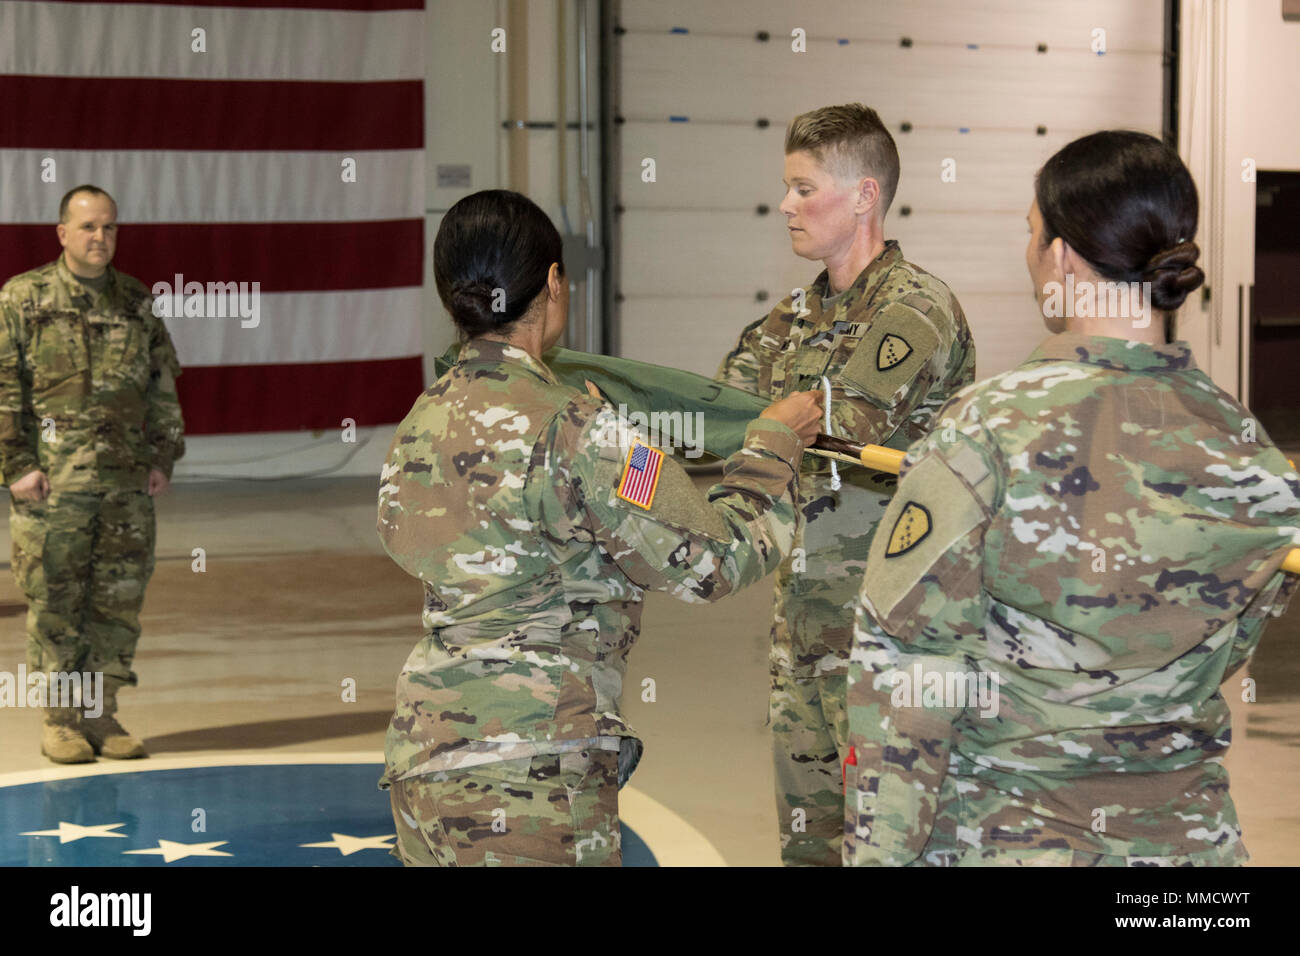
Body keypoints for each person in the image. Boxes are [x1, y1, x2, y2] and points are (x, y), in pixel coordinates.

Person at [843, 130, 1300, 866]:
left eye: (1031, 232)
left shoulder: (986, 428)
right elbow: (1229, 649)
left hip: (1011, 833)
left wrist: (877, 855)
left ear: (1059, 255)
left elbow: (907, 671)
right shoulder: (1243, 444)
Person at [377, 189, 822, 867]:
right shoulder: (582, 428)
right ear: (553, 283)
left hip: (421, 760)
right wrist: (771, 451)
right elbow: (712, 562)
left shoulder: (421, 420)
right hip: (531, 768)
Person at [715, 103, 975, 865]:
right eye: (786, 189)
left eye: (804, 188)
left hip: (891, 642)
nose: (787, 206)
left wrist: (765, 427)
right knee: (810, 849)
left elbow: (840, 424)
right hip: (804, 635)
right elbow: (719, 423)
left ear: (864, 195)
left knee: (893, 849)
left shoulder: (915, 311)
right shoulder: (788, 322)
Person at [0, 184, 185, 764]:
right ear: (62, 233)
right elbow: (4, 389)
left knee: (116, 605)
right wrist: (17, 466)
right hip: (53, 489)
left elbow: (162, 386)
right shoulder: (21, 298)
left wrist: (162, 456)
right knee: (56, 605)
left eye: (108, 227)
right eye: (87, 227)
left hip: (126, 486)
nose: (99, 237)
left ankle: (100, 713)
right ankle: (60, 721)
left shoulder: (136, 301)